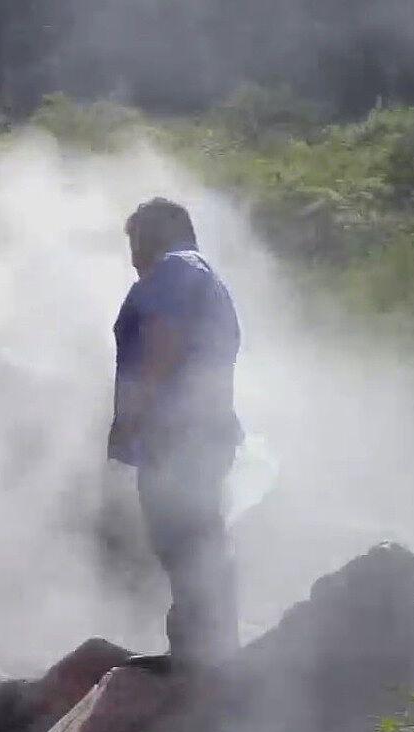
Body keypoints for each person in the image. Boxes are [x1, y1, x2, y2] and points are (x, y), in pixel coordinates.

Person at [108, 198, 244, 667]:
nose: (132, 259)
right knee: (195, 543)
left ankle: (200, 659)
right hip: (201, 436)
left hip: (180, 438)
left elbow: (163, 342)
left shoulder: (176, 270)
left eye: (133, 243)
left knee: (185, 541)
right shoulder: (202, 276)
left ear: (152, 236)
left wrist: (135, 418)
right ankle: (206, 650)